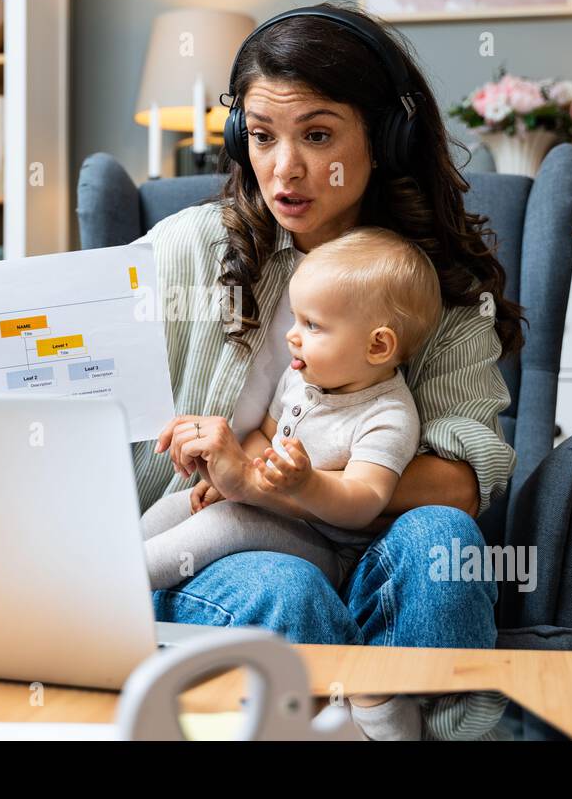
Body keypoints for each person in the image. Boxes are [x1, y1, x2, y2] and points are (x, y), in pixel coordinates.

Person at [0, 1, 523, 739]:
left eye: (319, 136)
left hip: (368, 558)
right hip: (200, 553)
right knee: (286, 585)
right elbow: (57, 383)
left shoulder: (436, 284)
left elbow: (462, 481)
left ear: (384, 140)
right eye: (262, 138)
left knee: (441, 543)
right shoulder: (185, 250)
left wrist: (275, 479)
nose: (285, 169)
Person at [141, 227, 440, 593]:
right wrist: (235, 479)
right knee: (177, 506)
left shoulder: (388, 416)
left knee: (226, 521)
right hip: (267, 508)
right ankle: (103, 565)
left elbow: (365, 501)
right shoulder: (300, 376)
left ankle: (113, 592)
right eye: (296, 319)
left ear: (377, 346)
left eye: (312, 325)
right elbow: (264, 435)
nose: (292, 336)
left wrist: (307, 484)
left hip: (329, 549)